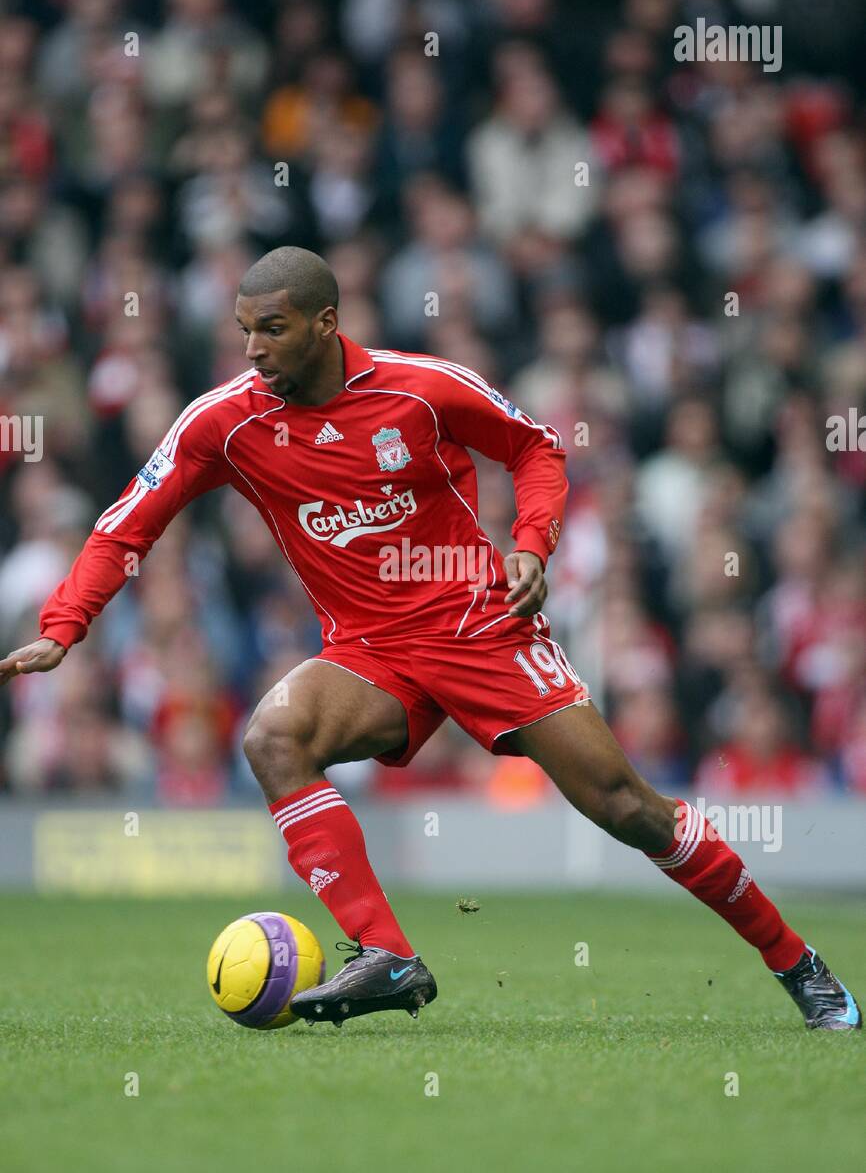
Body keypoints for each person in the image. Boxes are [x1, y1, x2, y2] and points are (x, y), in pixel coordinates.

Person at [1, 247, 858, 1033]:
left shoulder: (422, 387)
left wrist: (532, 545)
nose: (253, 350)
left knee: (626, 809)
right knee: (273, 735)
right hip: (369, 652)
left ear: (326, 324)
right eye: (243, 332)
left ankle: (798, 963)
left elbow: (537, 449)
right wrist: (62, 627)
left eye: (272, 329)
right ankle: (389, 956)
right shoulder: (223, 423)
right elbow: (125, 527)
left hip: (480, 626)